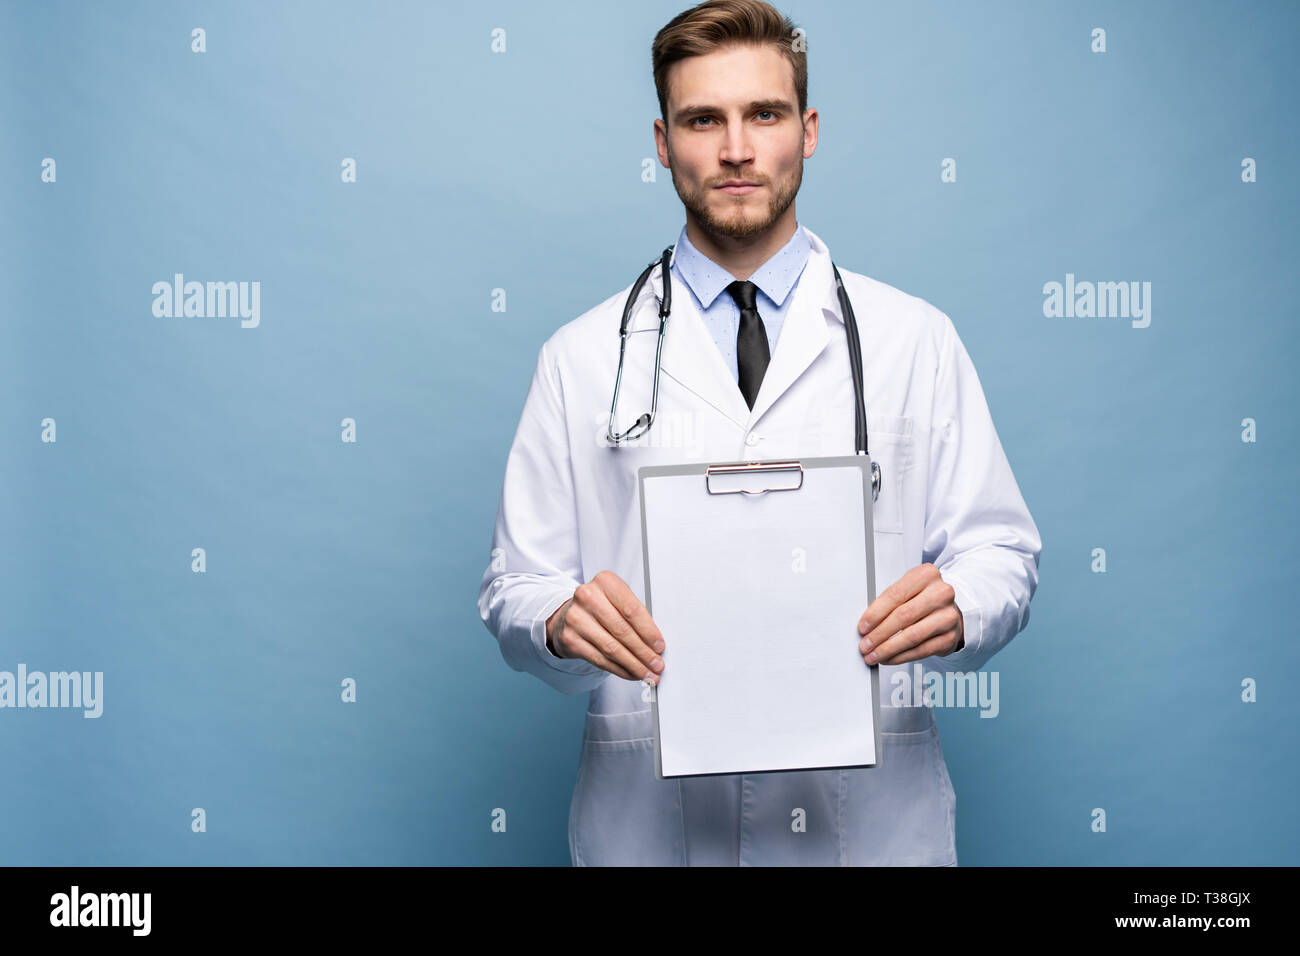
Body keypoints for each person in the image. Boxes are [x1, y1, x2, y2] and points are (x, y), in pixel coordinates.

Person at [477, 0, 1041, 866]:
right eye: (704, 119)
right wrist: (559, 620)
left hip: (870, 826)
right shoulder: (579, 358)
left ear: (807, 131)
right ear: (663, 142)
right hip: (652, 827)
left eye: (764, 115)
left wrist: (960, 605)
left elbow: (1001, 551)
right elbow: (515, 585)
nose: (736, 149)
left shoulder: (913, 340)